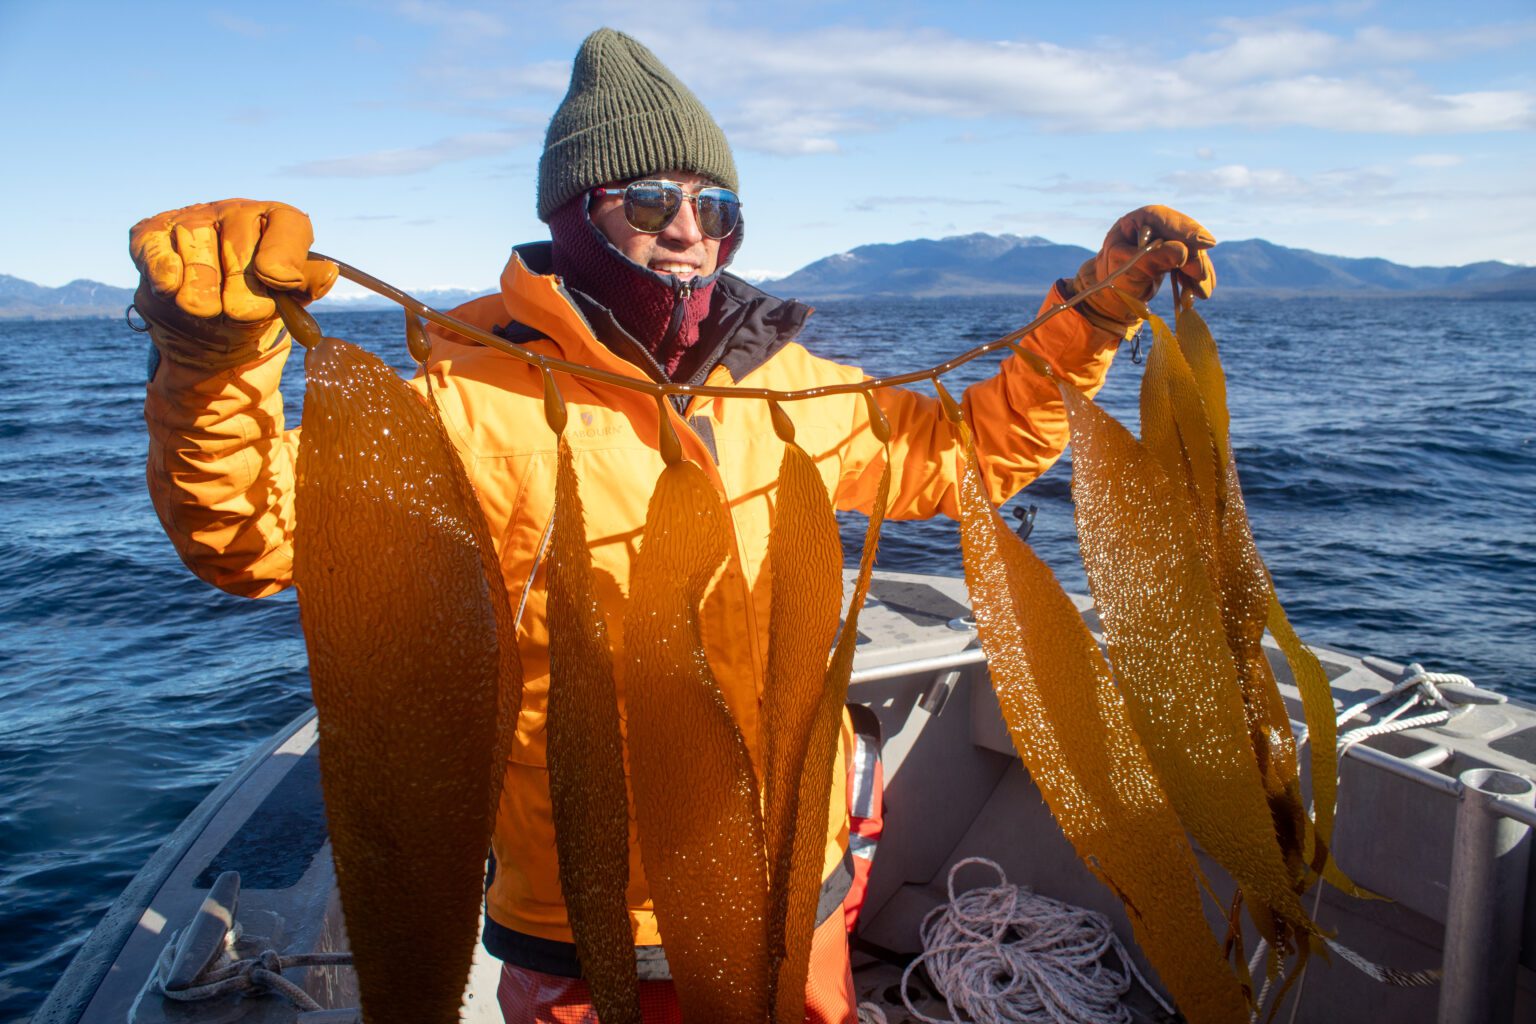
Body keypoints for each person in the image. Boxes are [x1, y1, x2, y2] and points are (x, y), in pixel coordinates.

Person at [131, 27, 1214, 1024]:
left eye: (717, 205)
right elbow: (259, 540)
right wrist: (212, 363)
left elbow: (965, 453)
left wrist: (1094, 310)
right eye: (648, 199)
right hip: (596, 915)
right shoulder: (459, 397)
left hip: (800, 862)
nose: (689, 232)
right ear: (573, 212)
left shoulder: (787, 382)